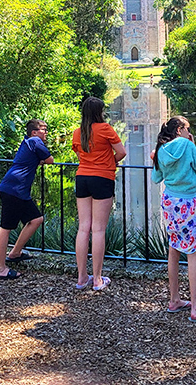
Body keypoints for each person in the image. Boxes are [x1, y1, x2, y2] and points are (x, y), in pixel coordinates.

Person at [151, 116, 196, 321]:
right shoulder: (187, 145)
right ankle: (195, 307)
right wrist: (194, 147)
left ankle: (174, 299)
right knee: (192, 253)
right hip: (188, 203)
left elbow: (155, 178)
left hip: (170, 202)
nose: (190, 132)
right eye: (188, 129)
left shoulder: (161, 148)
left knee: (173, 248)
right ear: (180, 129)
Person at [71, 96, 126, 291]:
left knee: (83, 228)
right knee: (99, 229)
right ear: (98, 112)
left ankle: (81, 277)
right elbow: (122, 152)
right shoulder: (106, 129)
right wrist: (111, 161)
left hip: (82, 178)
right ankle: (97, 279)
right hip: (102, 178)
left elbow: (80, 156)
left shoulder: (78, 133)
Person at [0, 119, 54, 281]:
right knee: (6, 228)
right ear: (34, 132)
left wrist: (37, 161)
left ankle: (15, 253)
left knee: (36, 219)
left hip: (16, 190)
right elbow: (50, 160)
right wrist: (40, 160)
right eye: (43, 129)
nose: (46, 132)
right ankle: (0, 269)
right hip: (14, 190)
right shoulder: (35, 141)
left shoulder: (27, 142)